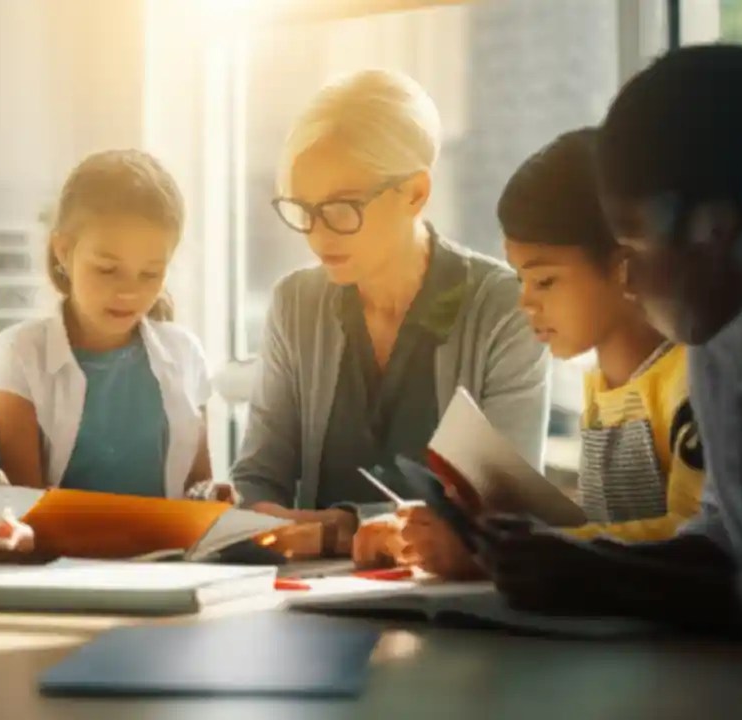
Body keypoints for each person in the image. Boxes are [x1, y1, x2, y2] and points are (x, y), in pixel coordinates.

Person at [475, 45, 742, 648]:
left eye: (634, 250)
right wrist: (573, 561)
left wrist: (608, 582)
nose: (630, 281)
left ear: (715, 231)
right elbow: (729, 538)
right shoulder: (722, 342)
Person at [231, 69, 550, 557]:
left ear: (415, 193)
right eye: (304, 209)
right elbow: (258, 478)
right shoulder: (295, 304)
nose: (318, 235)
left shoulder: (503, 310)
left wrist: (339, 528)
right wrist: (255, 514)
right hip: (307, 600)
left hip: (451, 603)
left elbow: (504, 511)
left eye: (341, 208)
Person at [391, 128, 706, 575]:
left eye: (544, 281)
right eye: (520, 280)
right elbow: (615, 526)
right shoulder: (600, 385)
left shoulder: (694, 383)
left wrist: (513, 550)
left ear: (625, 268)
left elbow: (693, 534)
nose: (526, 302)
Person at [0, 150, 214, 498]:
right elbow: (22, 507)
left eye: (151, 273)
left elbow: (198, 492)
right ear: (63, 250)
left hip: (169, 553)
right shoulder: (18, 354)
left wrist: (216, 499)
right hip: (60, 552)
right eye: (107, 269)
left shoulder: (185, 354)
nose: (128, 292)